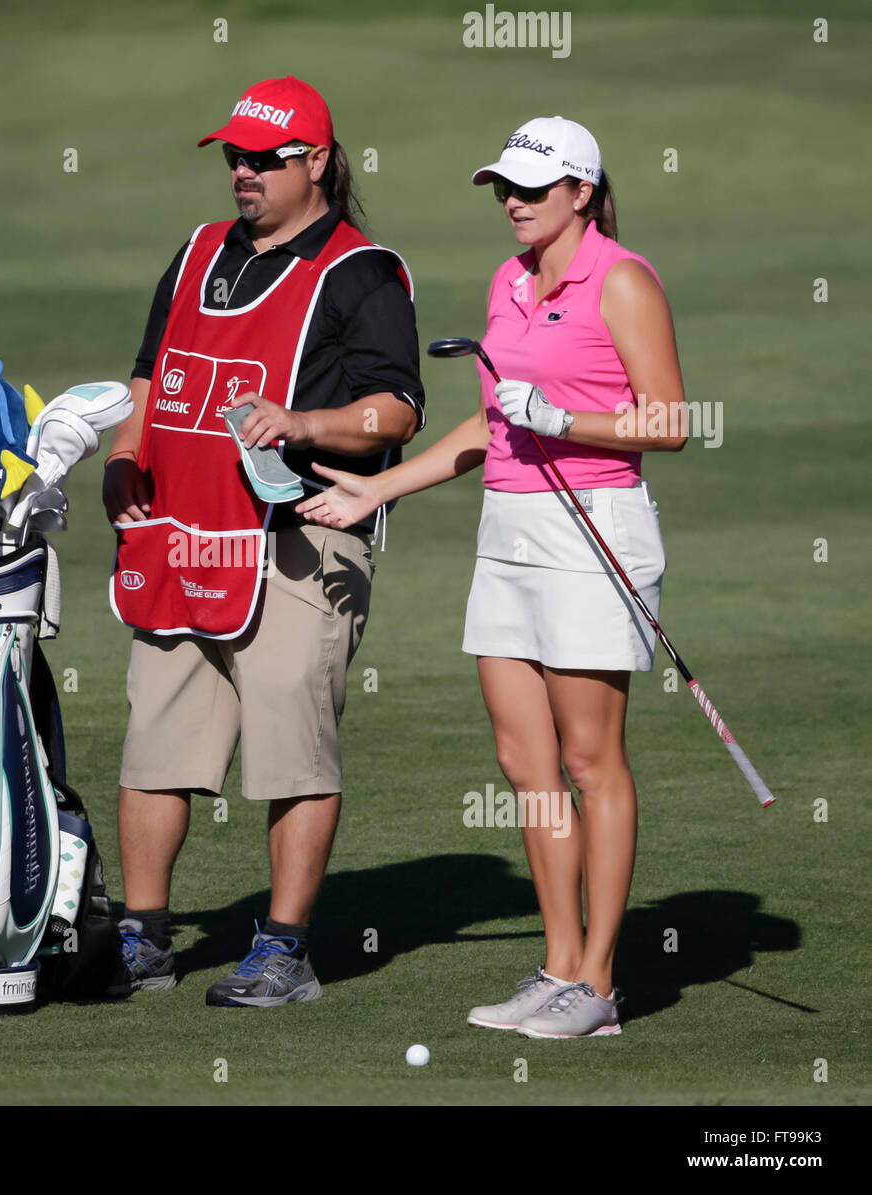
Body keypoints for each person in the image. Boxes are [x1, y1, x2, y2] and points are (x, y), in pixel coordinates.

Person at [298, 116, 687, 1037]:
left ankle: (597, 986)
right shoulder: (509, 282)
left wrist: (560, 415)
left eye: (532, 187)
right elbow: (488, 431)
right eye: (503, 186)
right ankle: (556, 966)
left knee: (591, 760)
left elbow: (669, 419)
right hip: (508, 528)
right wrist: (378, 488)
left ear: (581, 193)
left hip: (594, 528)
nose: (512, 201)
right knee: (525, 761)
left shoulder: (622, 280)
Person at [102, 76, 425, 1007]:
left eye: (264, 158)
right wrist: (128, 451)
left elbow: (396, 410)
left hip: (301, 546)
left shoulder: (362, 271)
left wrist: (306, 423)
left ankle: (284, 950)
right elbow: (151, 371)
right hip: (183, 535)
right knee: (155, 743)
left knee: (293, 750)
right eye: (235, 156)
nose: (242, 172)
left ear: (316, 162)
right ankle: (144, 937)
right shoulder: (202, 247)